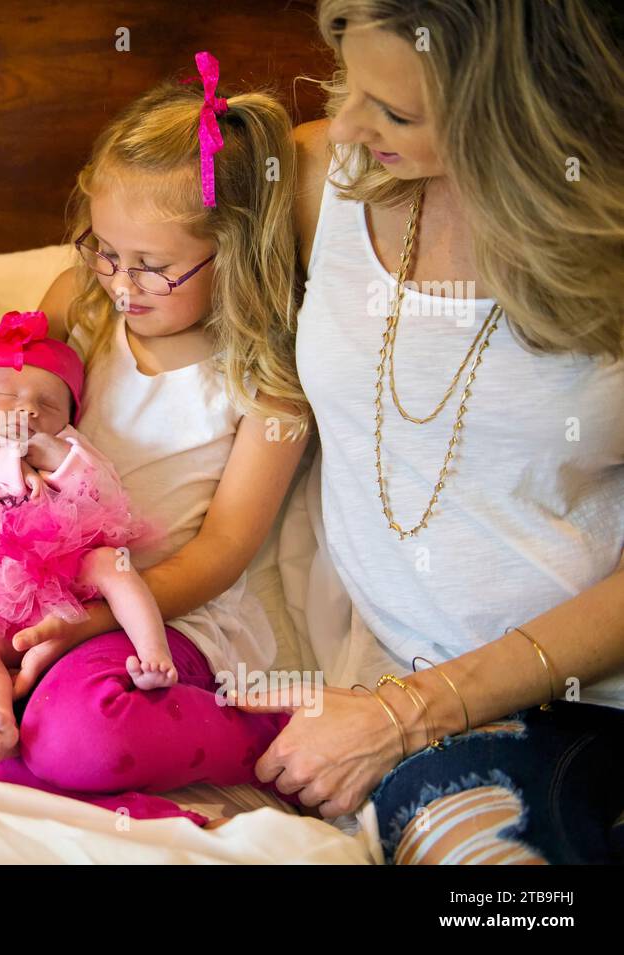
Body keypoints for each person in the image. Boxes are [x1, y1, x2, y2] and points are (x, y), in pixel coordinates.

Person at [0, 59, 313, 821]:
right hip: (29, 585)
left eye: (152, 267)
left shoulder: (265, 381)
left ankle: (265, 732)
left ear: (236, 251)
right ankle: (99, 786)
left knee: (78, 726)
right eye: (104, 249)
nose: (121, 284)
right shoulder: (82, 303)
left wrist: (94, 622)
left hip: (165, 613)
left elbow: (222, 551)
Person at [238, 0, 624, 864]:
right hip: (454, 724)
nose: (343, 122)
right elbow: (126, 255)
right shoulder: (316, 182)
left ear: (526, 113)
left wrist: (409, 709)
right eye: (348, 78)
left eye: (396, 111)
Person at [0, 310, 175, 767]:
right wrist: (8, 464)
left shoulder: (69, 443)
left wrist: (56, 457)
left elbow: (107, 496)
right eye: (6, 395)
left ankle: (154, 654)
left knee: (113, 564)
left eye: (48, 404)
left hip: (66, 574)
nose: (28, 409)